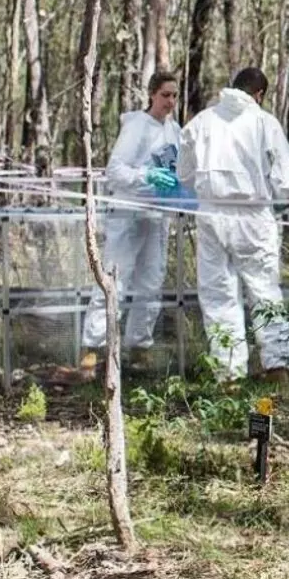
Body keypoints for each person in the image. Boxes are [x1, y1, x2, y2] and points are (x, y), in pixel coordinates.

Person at [178, 67, 289, 384]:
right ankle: (277, 368)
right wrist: (270, 199)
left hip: (211, 215)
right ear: (259, 94)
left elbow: (184, 173)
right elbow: (285, 177)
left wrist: (205, 192)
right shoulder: (263, 122)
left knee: (219, 295)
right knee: (264, 290)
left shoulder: (202, 122)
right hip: (253, 215)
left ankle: (228, 374)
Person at [80, 71, 183, 371]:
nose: (170, 101)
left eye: (175, 95)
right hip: (127, 216)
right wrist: (145, 176)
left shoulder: (175, 130)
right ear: (152, 95)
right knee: (114, 279)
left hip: (157, 217)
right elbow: (115, 171)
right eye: (165, 95)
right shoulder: (137, 126)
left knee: (151, 282)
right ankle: (93, 347)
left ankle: (139, 346)